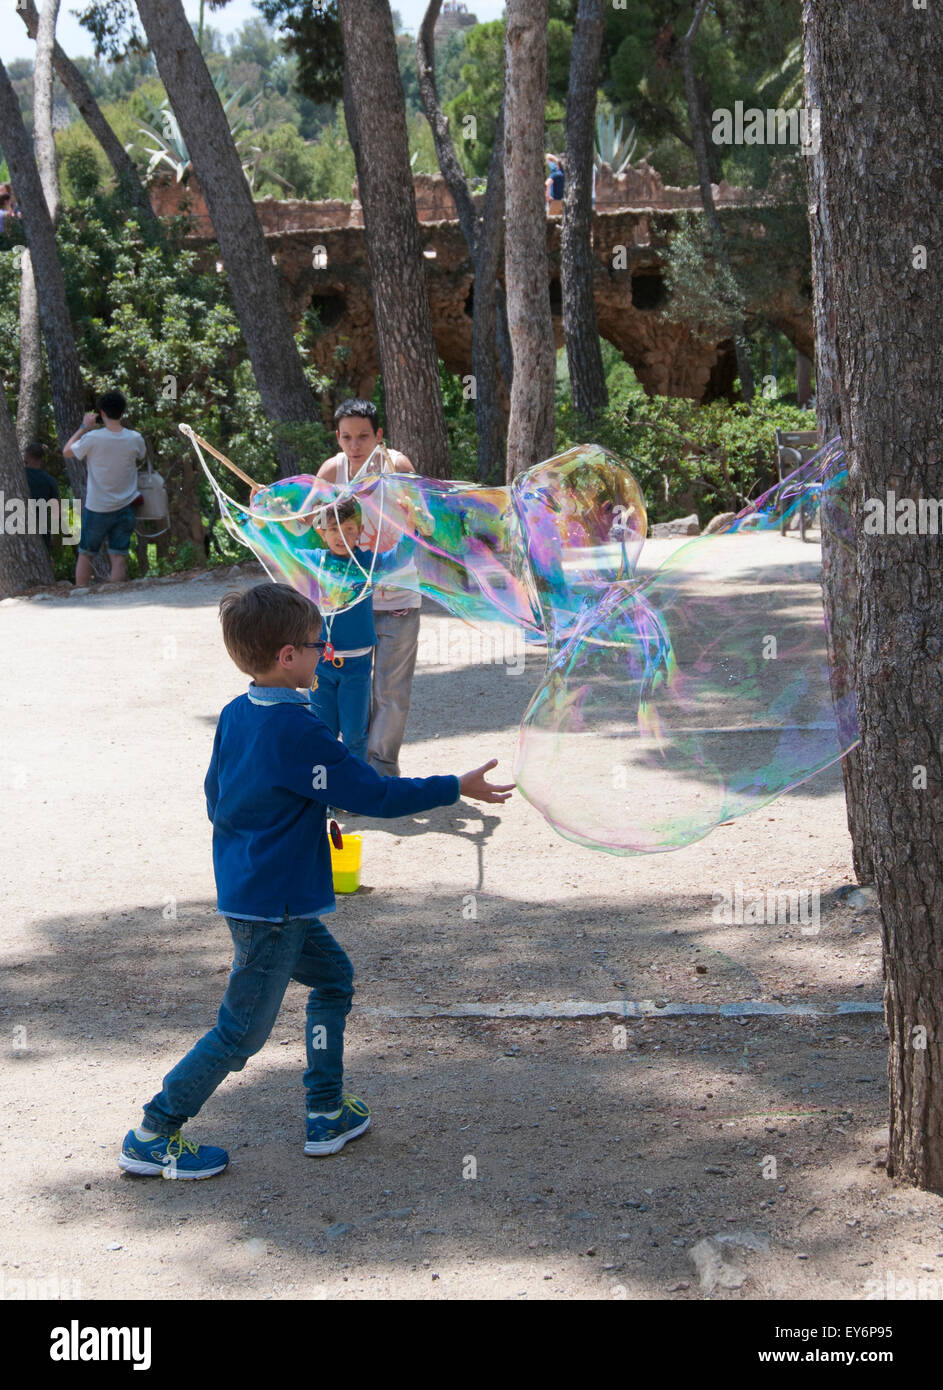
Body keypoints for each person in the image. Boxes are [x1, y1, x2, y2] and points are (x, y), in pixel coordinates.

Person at [117, 582, 513, 1178]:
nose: (325, 650)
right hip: (274, 907)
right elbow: (374, 795)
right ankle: (155, 1131)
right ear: (286, 657)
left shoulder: (237, 712)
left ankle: (325, 1110)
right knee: (241, 1033)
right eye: (315, 644)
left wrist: (292, 817)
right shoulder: (300, 732)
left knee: (334, 981)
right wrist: (454, 785)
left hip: (261, 892)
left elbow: (217, 797)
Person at [317, 399, 421, 779]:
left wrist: (418, 513)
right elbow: (306, 522)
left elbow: (418, 521)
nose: (354, 445)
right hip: (347, 602)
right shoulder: (332, 470)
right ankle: (348, 769)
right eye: (346, 437)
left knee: (390, 691)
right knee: (349, 690)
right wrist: (268, 503)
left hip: (398, 595)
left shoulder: (398, 465)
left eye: (363, 436)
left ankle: (381, 771)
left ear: (379, 435)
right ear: (338, 438)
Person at [64, 389, 146, 585]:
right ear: (123, 413)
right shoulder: (135, 438)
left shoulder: (93, 438)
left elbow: (67, 451)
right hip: (126, 505)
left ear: (102, 413)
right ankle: (116, 599)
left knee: (86, 554)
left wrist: (84, 427)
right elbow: (142, 455)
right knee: (118, 556)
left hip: (97, 508)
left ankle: (81, 595)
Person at [23, 443, 60, 552]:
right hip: (42, 528)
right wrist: (54, 533)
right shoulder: (50, 480)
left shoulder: (19, 476)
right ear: (42, 458)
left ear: (27, 456)